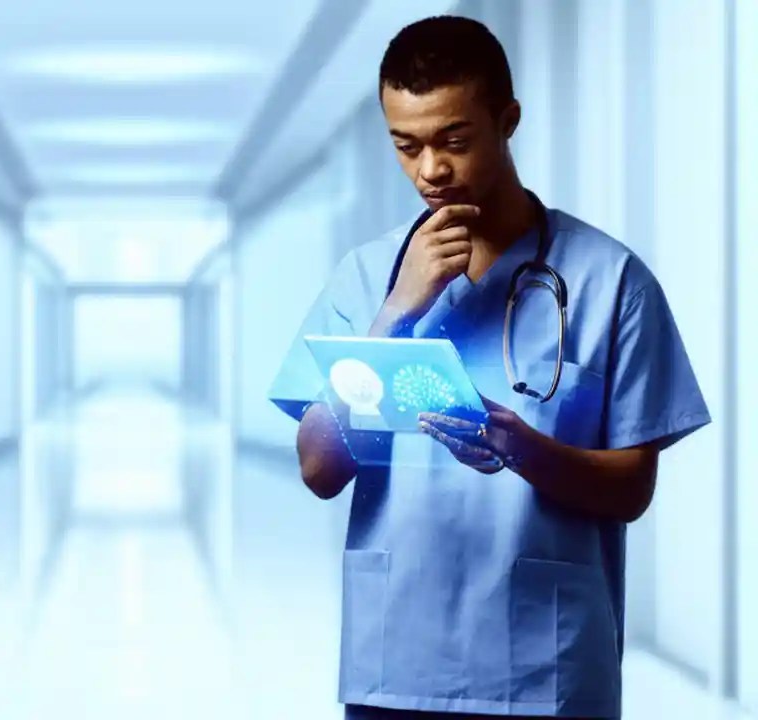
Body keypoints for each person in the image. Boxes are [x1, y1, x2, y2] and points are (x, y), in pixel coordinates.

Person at [267, 15, 711, 720]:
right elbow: (319, 469)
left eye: (454, 141)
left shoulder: (610, 281)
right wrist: (397, 314)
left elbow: (631, 490)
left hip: (548, 669)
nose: (430, 170)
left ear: (508, 121)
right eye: (406, 146)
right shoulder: (367, 277)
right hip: (395, 663)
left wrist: (522, 447)